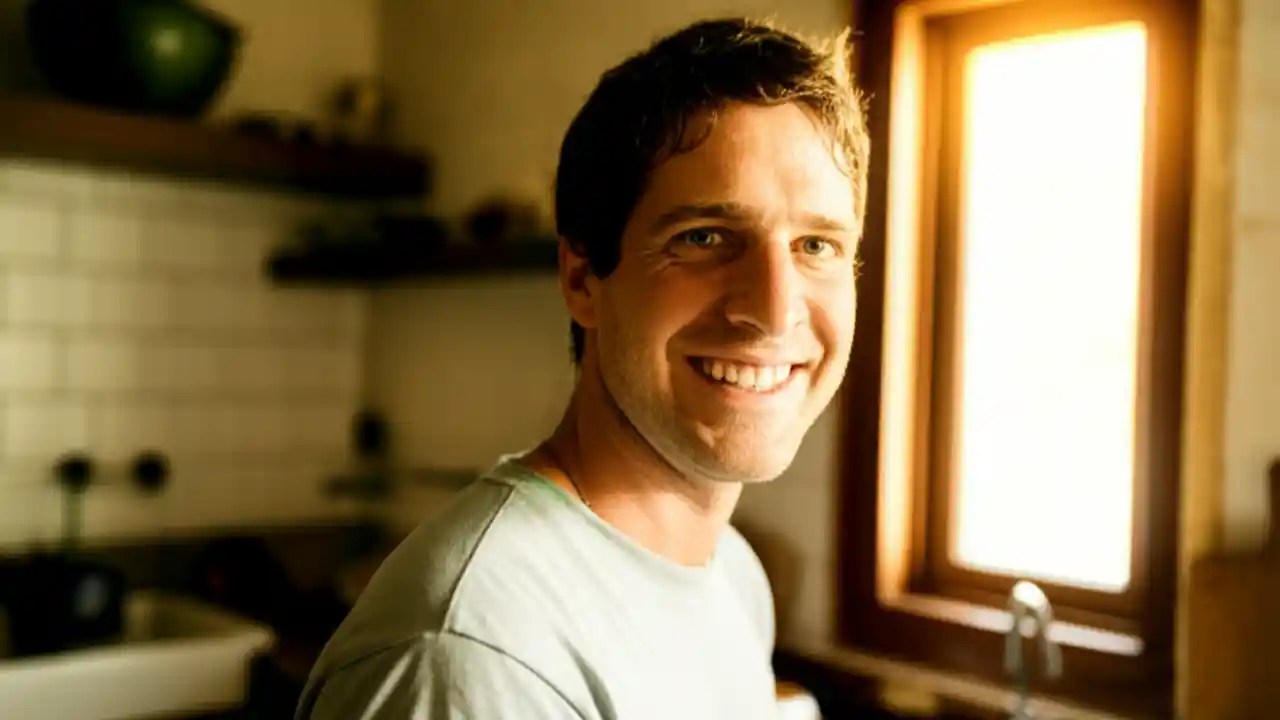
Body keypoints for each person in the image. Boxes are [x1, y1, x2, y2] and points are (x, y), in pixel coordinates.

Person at [296, 16, 869, 720]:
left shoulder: (732, 576)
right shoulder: (473, 657)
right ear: (582, 279)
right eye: (704, 237)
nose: (776, 310)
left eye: (817, 245)